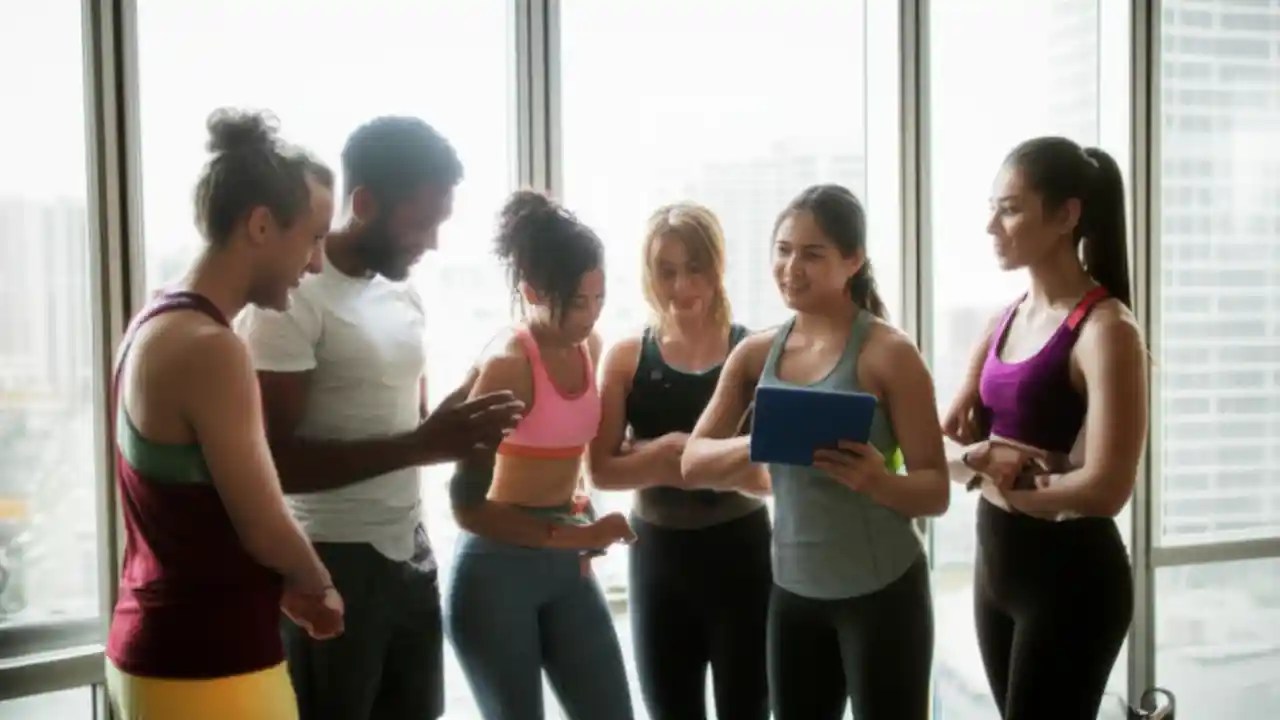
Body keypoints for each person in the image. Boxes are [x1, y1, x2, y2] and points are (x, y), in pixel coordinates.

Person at [236, 116, 523, 720]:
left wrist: (460, 419)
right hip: (330, 562)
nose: (434, 242)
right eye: (422, 222)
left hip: (410, 552)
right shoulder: (291, 301)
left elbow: (410, 427)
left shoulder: (404, 293)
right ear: (363, 203)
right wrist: (422, 445)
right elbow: (271, 465)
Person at [105, 109, 344, 720]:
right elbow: (263, 524)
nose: (316, 264)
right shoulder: (212, 349)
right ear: (261, 225)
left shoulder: (153, 324)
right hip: (209, 666)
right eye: (312, 238)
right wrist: (317, 582)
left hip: (159, 651)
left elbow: (192, 515)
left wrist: (279, 585)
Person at [683, 184, 948, 720]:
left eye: (812, 253)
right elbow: (694, 462)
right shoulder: (755, 353)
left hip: (882, 593)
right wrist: (771, 441)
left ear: (853, 260)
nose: (791, 267)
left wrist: (879, 480)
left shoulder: (889, 354)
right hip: (793, 595)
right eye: (783, 250)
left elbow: (936, 491)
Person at [942, 136, 1146, 720]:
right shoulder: (1001, 321)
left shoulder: (1107, 330)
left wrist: (1005, 479)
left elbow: (1108, 489)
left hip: (1072, 581)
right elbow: (948, 450)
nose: (990, 226)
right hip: (996, 568)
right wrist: (986, 460)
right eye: (992, 207)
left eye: (1009, 209)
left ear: (1066, 215)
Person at [445, 190, 636, 720]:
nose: (592, 315)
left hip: (565, 564)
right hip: (496, 571)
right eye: (578, 302)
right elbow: (468, 508)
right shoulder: (508, 364)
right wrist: (583, 536)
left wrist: (581, 516)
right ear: (531, 289)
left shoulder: (589, 346)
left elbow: (568, 453)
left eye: (599, 298)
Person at [589, 203, 771, 720]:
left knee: (749, 708)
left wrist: (656, 456)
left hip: (743, 556)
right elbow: (600, 469)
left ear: (717, 268)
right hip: (659, 558)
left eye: (694, 268)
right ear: (649, 275)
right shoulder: (627, 357)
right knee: (670, 709)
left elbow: (770, 472)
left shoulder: (754, 353)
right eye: (666, 271)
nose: (681, 285)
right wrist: (680, 455)